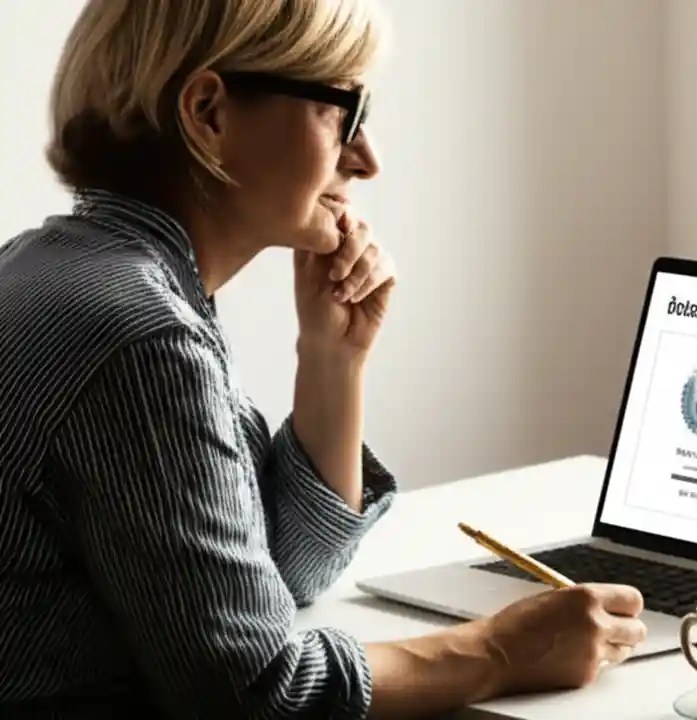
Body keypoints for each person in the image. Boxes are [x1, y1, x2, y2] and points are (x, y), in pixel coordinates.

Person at [0, 1, 646, 718]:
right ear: (209, 113)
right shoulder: (140, 336)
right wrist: (497, 651)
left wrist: (333, 359)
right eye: (347, 111)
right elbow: (256, 694)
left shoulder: (52, 270)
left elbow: (273, 576)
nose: (367, 158)